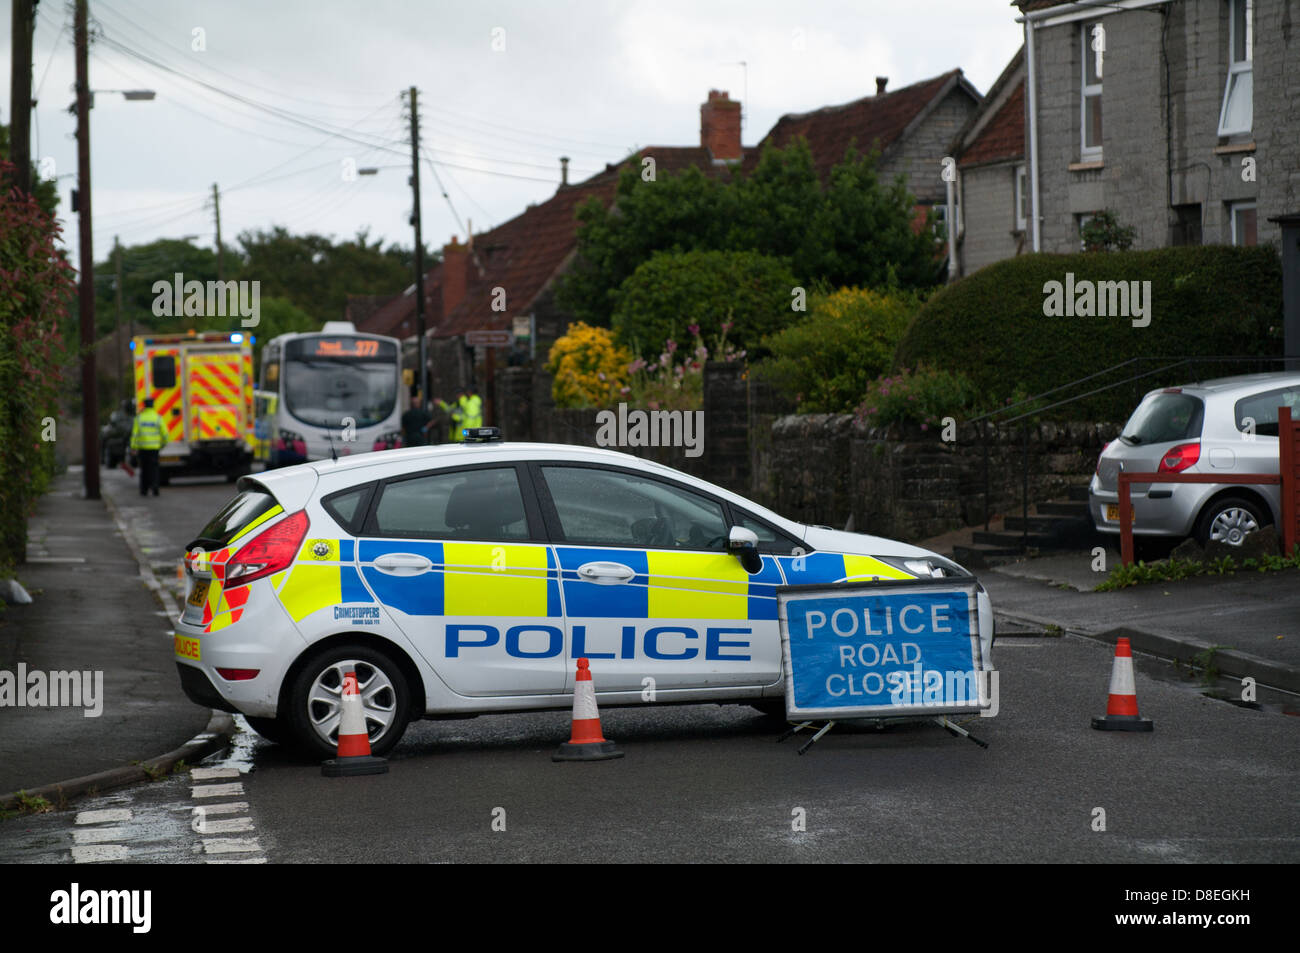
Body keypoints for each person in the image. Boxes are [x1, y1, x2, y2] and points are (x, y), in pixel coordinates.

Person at [130, 397, 165, 496]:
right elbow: (165, 434)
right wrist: (162, 444)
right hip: (154, 448)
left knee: (144, 470)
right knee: (154, 469)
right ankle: (155, 488)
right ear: (153, 406)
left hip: (143, 449)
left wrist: (133, 447)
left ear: (144, 406)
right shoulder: (158, 418)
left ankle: (144, 490)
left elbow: (135, 434)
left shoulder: (139, 418)